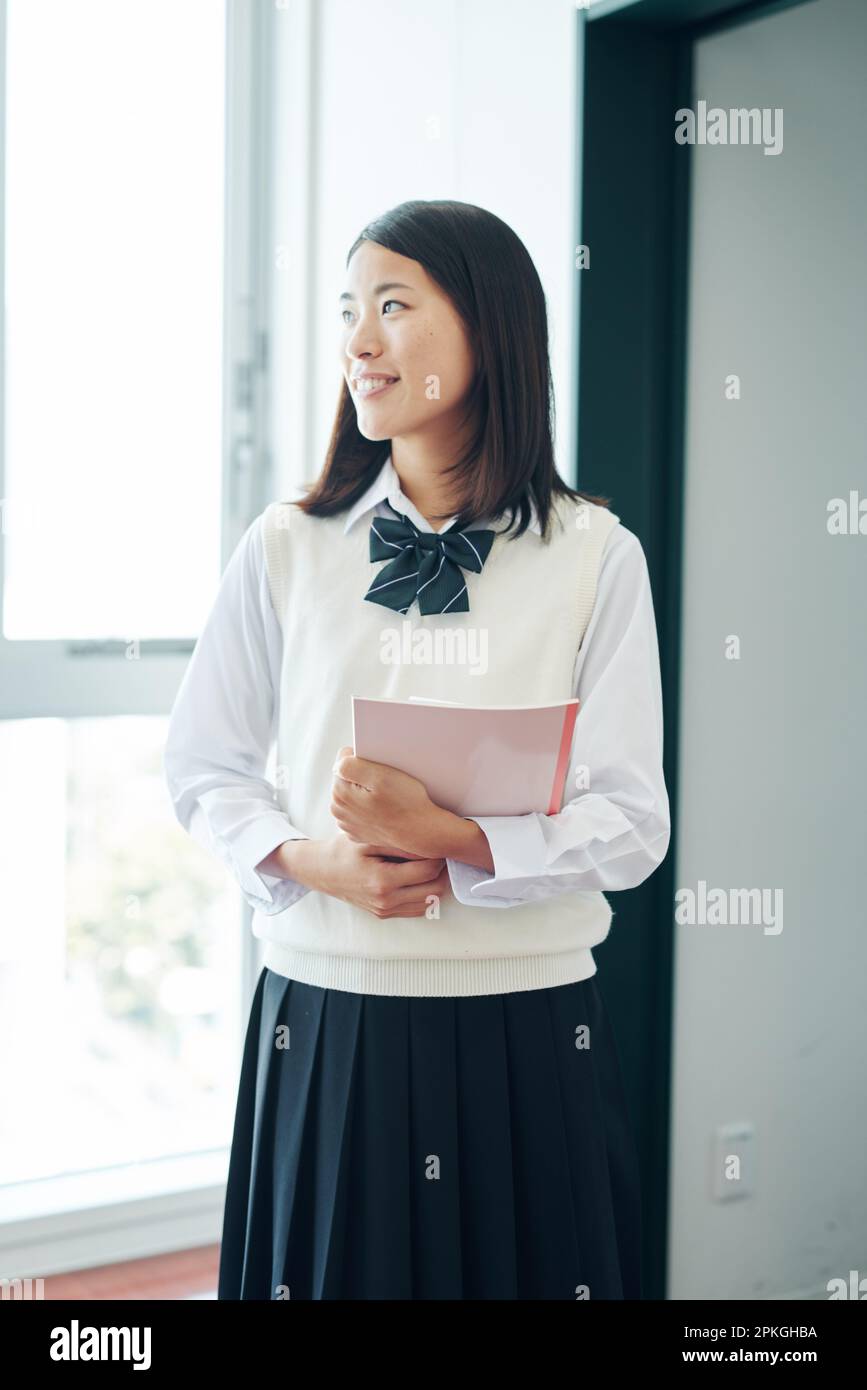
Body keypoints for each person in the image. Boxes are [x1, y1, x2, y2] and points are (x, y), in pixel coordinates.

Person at [164, 199, 670, 1300]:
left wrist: (452, 839)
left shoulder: (597, 555)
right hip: (328, 1024)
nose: (357, 341)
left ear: (489, 331)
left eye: (392, 306)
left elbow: (634, 822)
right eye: (349, 310)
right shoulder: (287, 546)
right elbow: (202, 764)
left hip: (533, 1031)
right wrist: (314, 860)